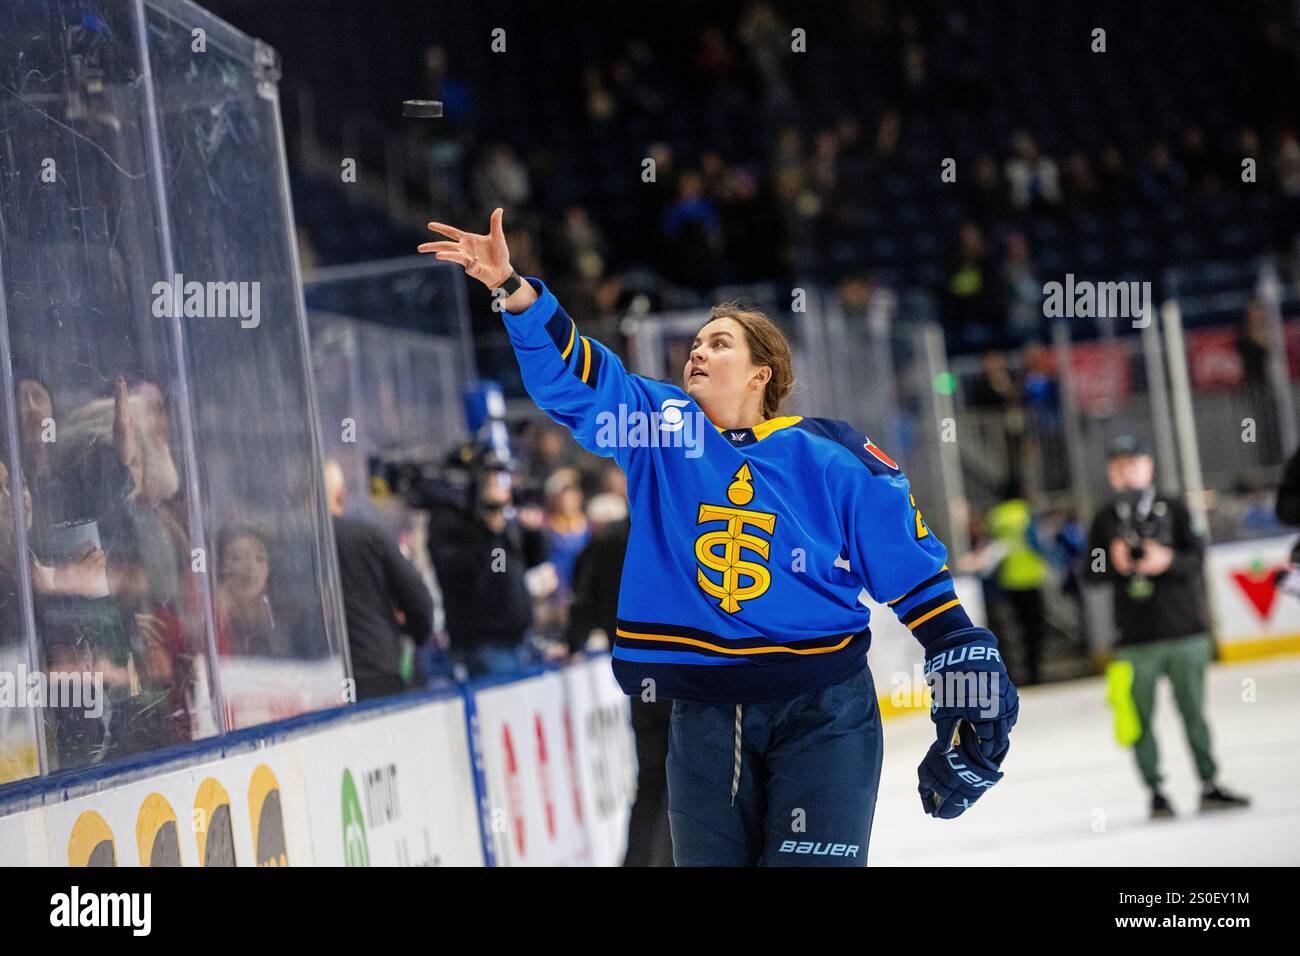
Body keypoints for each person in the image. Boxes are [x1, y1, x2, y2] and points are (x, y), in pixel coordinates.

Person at [421, 209, 1019, 866]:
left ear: (763, 373)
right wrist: (512, 288)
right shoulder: (661, 430)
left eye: (719, 343)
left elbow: (910, 572)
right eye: (695, 345)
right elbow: (578, 381)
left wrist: (962, 658)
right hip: (704, 714)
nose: (697, 352)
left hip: (824, 710)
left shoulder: (829, 453)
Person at [1084, 435, 1250, 819]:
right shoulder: (1105, 518)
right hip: (1134, 639)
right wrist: (1113, 563)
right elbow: (1089, 575)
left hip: (1184, 630)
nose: (1127, 471)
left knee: (1194, 713)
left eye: (1134, 462)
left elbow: (1197, 559)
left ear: (1149, 465)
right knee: (1138, 721)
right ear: (1111, 472)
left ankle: (1209, 783)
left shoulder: (1173, 507)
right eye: (1119, 465)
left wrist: (1167, 560)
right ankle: (1155, 792)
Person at [324, 460, 434, 701]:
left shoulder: (291, 544)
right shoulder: (369, 536)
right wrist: (411, 635)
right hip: (375, 670)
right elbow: (419, 601)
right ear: (340, 495)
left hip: (317, 678)